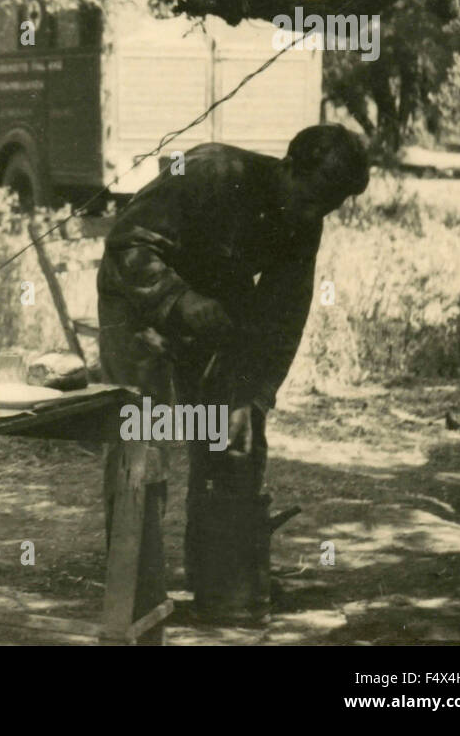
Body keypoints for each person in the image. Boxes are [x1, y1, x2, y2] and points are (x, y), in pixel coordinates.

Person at [96, 124, 369, 625]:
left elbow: (284, 314)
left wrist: (257, 393)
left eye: (324, 210)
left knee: (236, 437)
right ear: (289, 167)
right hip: (137, 301)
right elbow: (125, 246)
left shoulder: (307, 214)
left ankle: (223, 587)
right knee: (143, 437)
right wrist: (178, 299)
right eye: (308, 201)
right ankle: (137, 595)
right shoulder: (210, 173)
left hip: (214, 315)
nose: (311, 217)